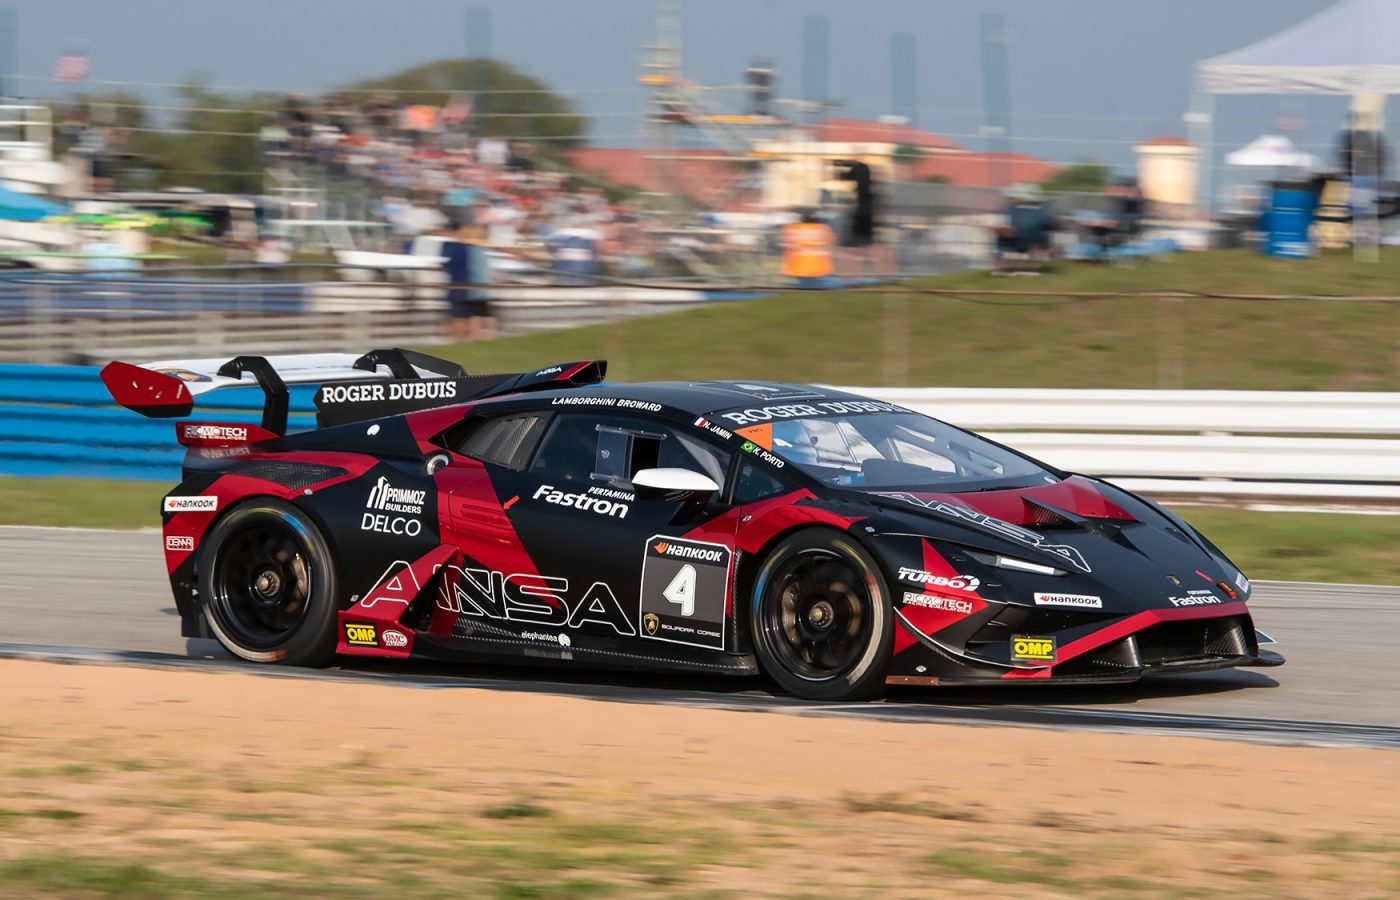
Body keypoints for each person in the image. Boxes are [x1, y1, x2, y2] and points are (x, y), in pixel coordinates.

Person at [440, 224, 495, 343]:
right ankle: (480, 339)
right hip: (481, 288)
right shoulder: (482, 250)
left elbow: (452, 265)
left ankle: (459, 341)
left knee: (459, 316)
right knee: (477, 316)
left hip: (463, 286)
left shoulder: (462, 248)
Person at [993, 184, 1054, 272]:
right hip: (1036, 249)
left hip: (1012, 249)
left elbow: (1004, 231)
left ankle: (1010, 264)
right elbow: (1050, 226)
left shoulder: (1008, 211)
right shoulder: (1043, 212)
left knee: (1003, 237)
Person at [780, 209, 836, 287]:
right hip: (820, 268)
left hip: (798, 268)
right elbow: (831, 241)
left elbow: (786, 242)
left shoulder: (792, 229)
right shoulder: (824, 229)